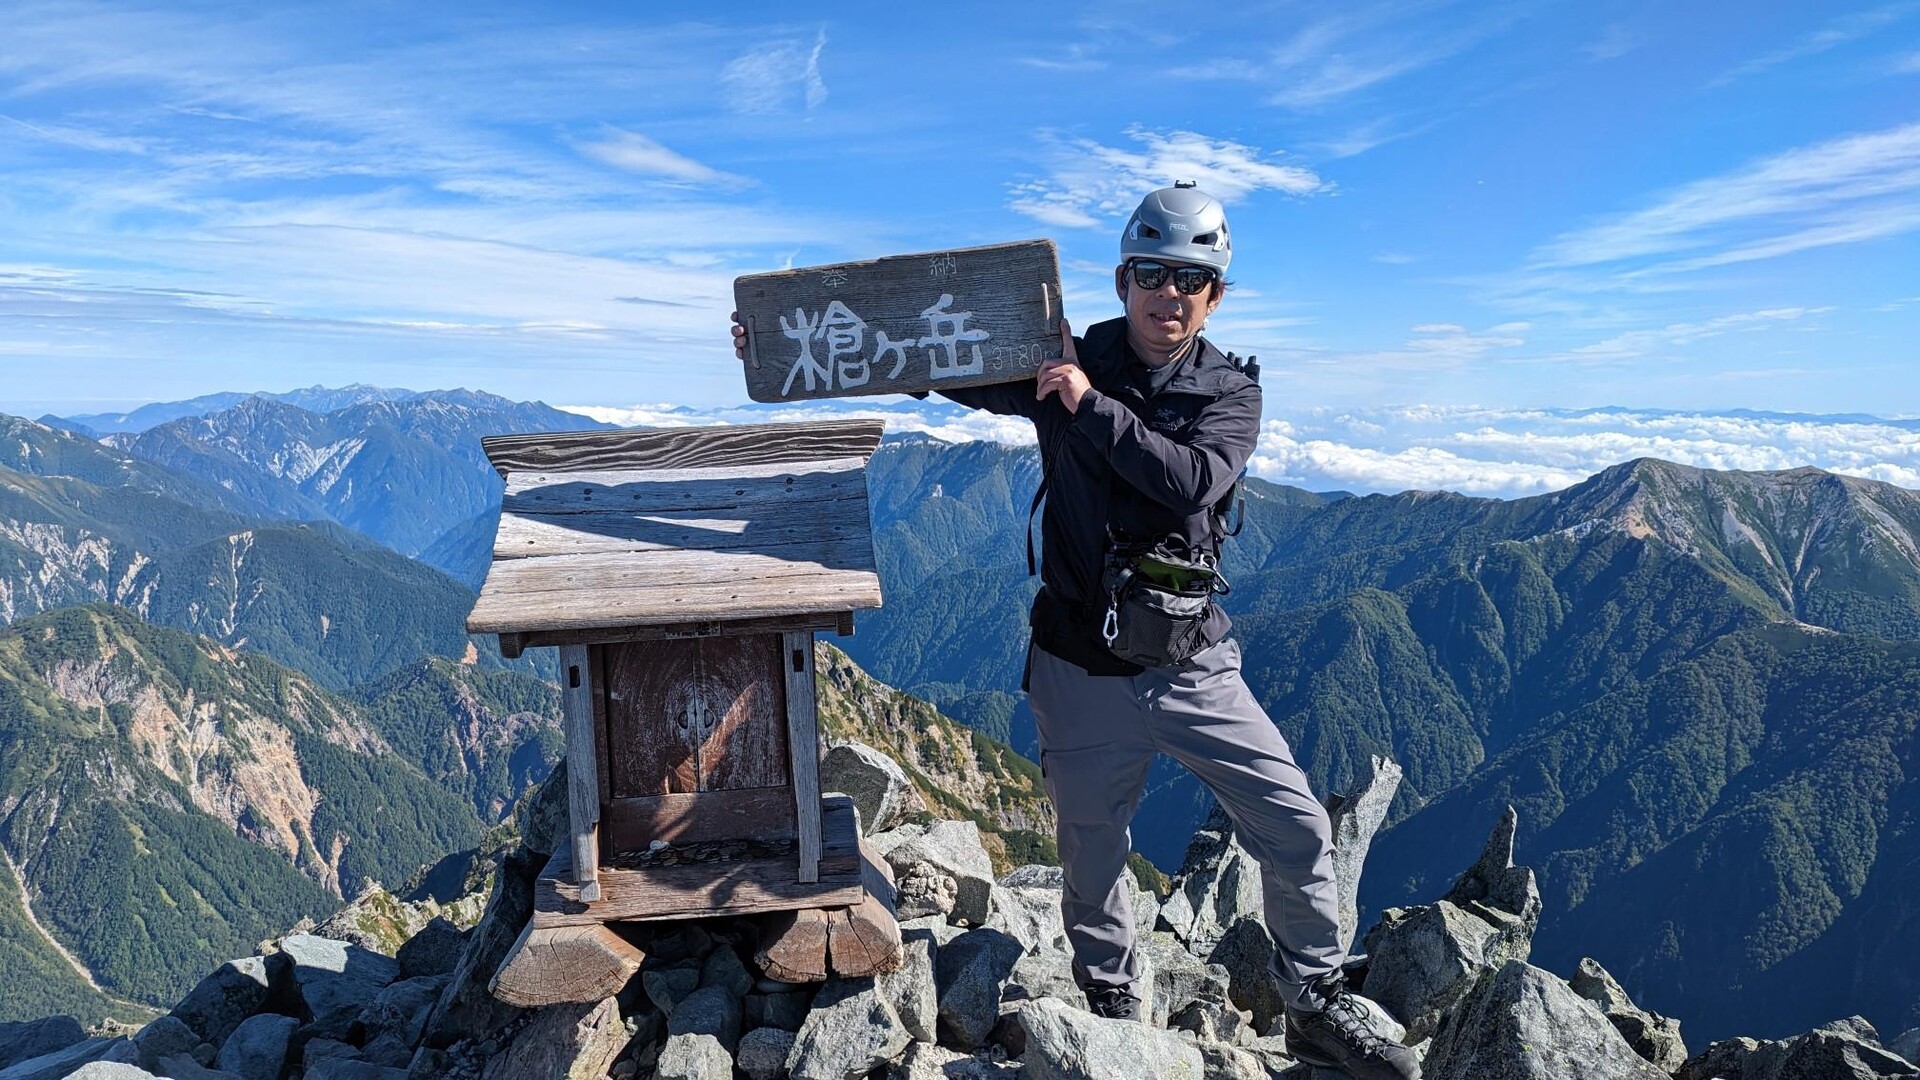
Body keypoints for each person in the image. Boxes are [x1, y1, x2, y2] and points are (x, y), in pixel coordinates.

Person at [732, 182, 1420, 1080]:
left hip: (1190, 661)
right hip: (1074, 663)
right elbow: (952, 362)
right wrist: (796, 344)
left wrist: (1089, 404)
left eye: (1190, 279)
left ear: (1217, 295)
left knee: (1292, 823)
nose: (1168, 294)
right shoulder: (1068, 351)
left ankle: (1315, 998)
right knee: (1091, 850)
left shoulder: (1227, 393)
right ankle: (1109, 998)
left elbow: (1192, 481)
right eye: (1151, 273)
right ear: (1124, 276)